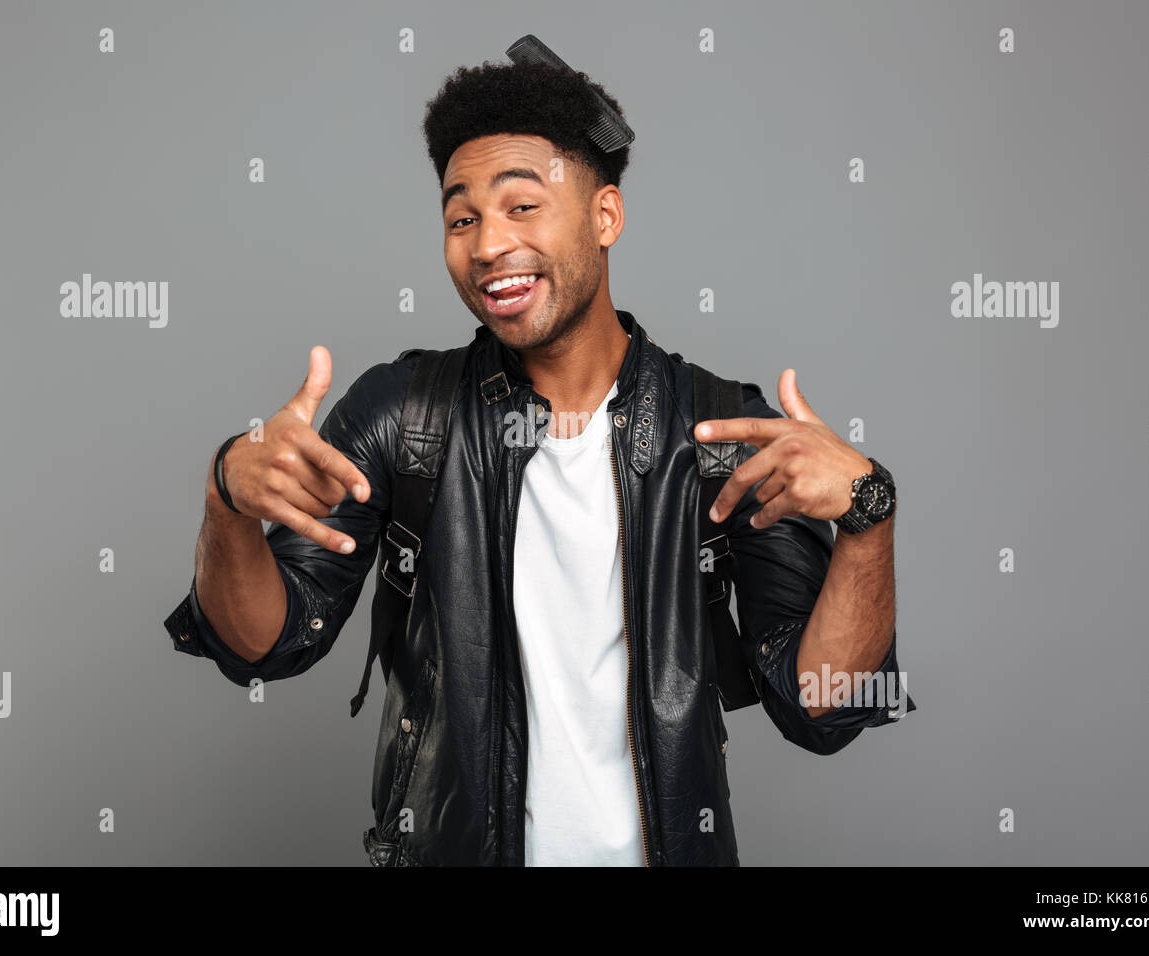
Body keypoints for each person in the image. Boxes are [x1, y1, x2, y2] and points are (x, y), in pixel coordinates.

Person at [163, 51, 913, 867]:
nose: (489, 245)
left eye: (522, 204)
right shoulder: (404, 416)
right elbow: (264, 645)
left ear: (605, 216)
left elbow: (822, 708)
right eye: (461, 219)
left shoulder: (719, 432)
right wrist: (225, 497)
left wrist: (869, 516)